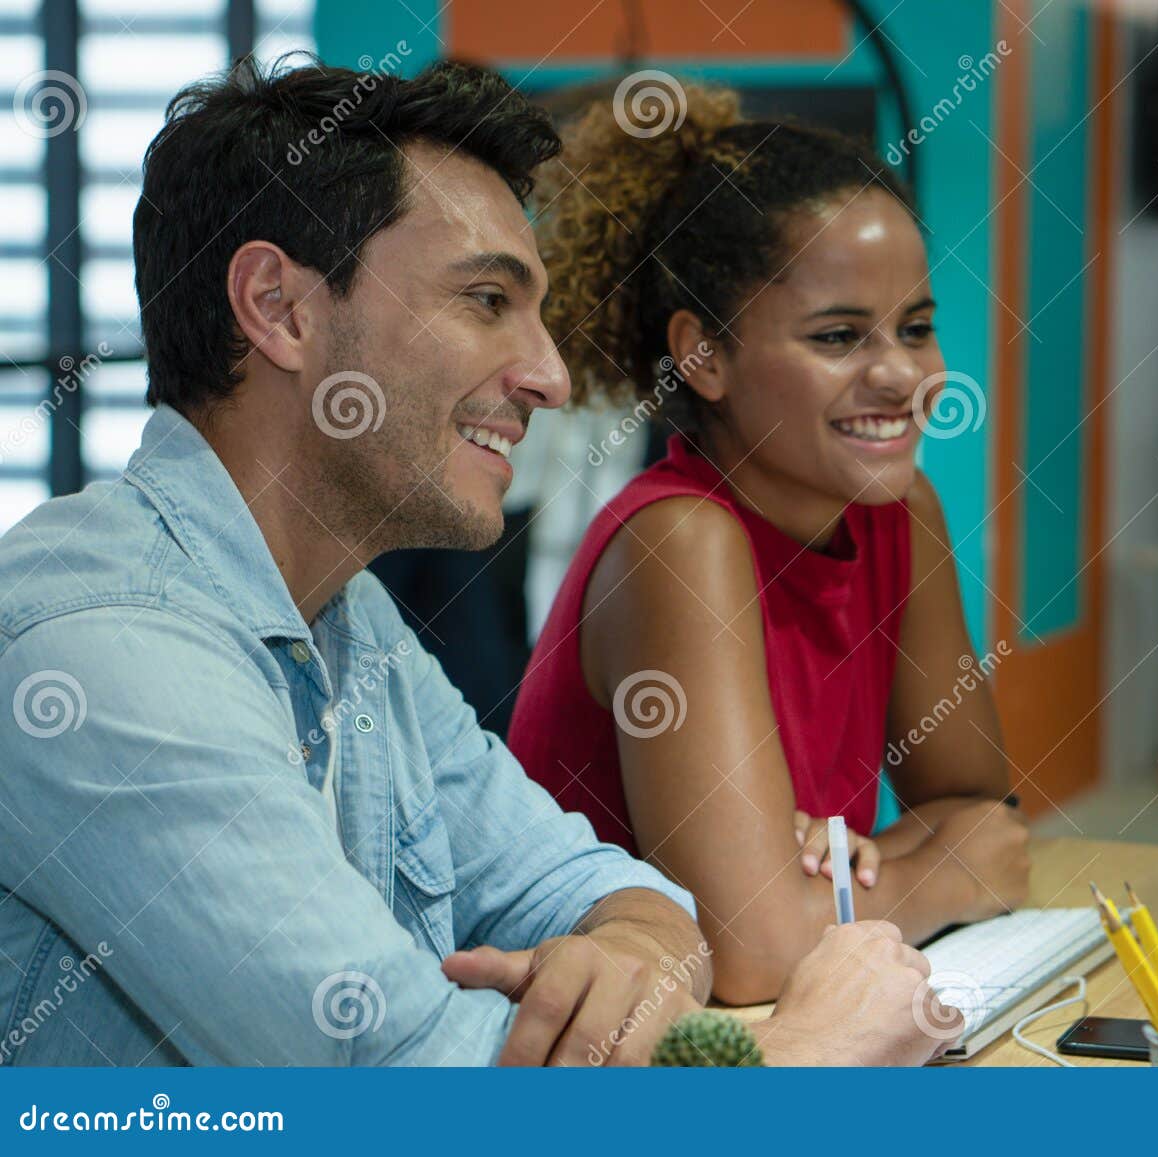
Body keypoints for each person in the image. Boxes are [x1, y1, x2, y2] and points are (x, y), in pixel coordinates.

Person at [0, 57, 954, 1067]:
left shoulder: (348, 618)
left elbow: (607, 890)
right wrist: (803, 1058)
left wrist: (636, 945)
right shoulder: (103, 648)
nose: (548, 374)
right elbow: (409, 1080)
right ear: (278, 309)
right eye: (487, 299)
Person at [506, 87, 1030, 1006]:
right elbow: (754, 952)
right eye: (839, 336)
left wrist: (844, 882)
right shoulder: (678, 542)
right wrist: (936, 870)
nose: (905, 375)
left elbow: (998, 826)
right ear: (703, 354)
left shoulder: (902, 516)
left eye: (915, 327)